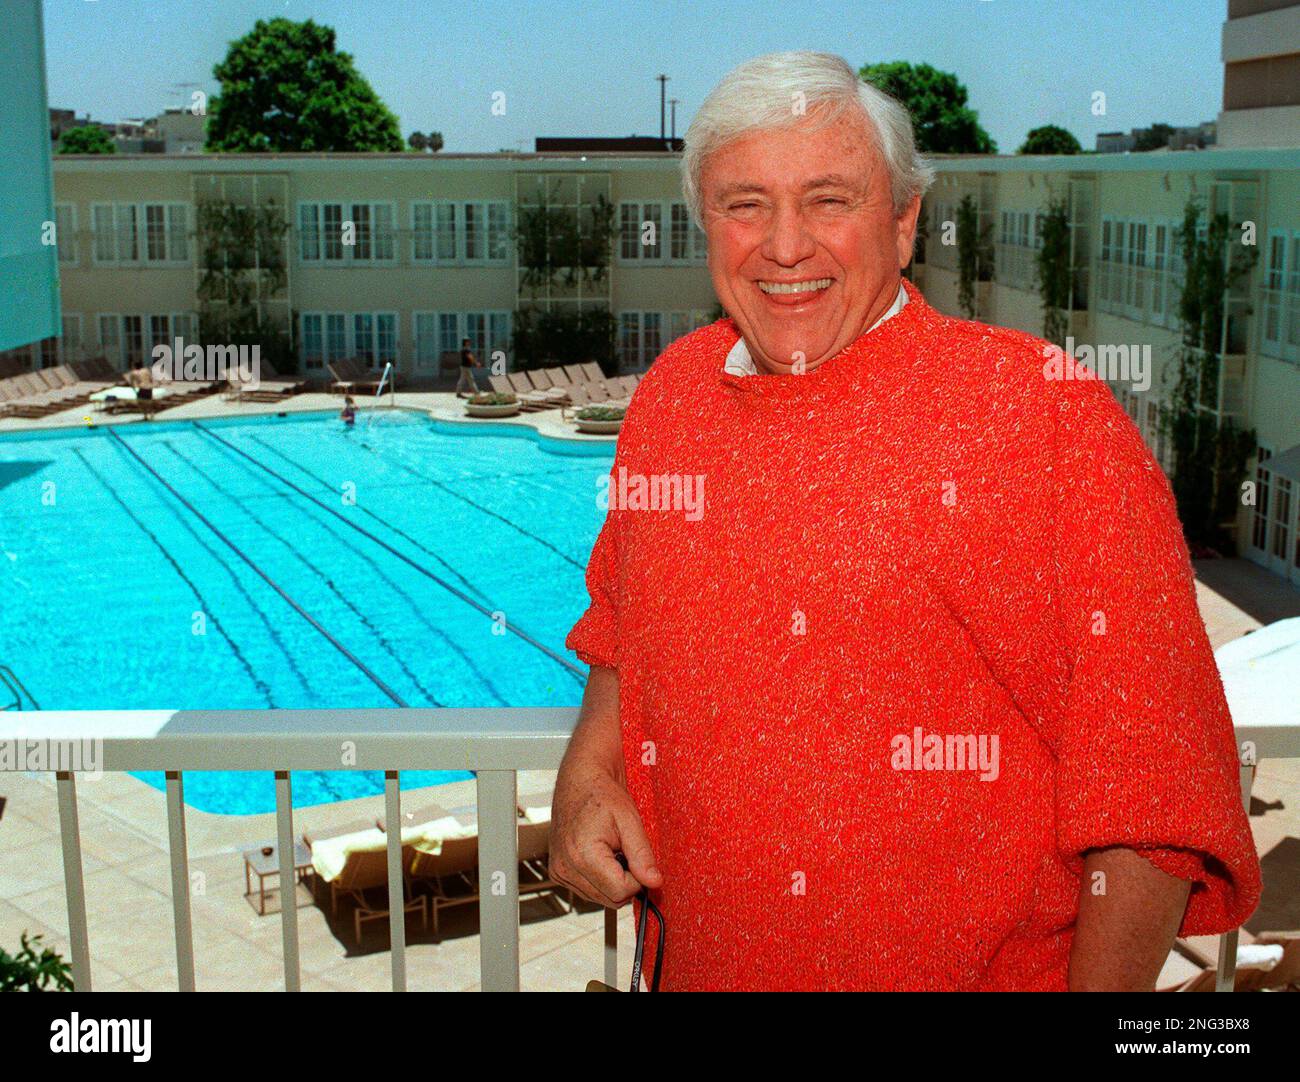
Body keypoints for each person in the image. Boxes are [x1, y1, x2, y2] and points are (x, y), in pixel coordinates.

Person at [549, 51, 1261, 992]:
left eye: (830, 200)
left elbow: (1152, 781)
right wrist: (587, 772)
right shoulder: (673, 396)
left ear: (904, 217)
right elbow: (622, 621)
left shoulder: (1041, 416)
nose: (786, 245)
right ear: (704, 224)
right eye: (745, 203)